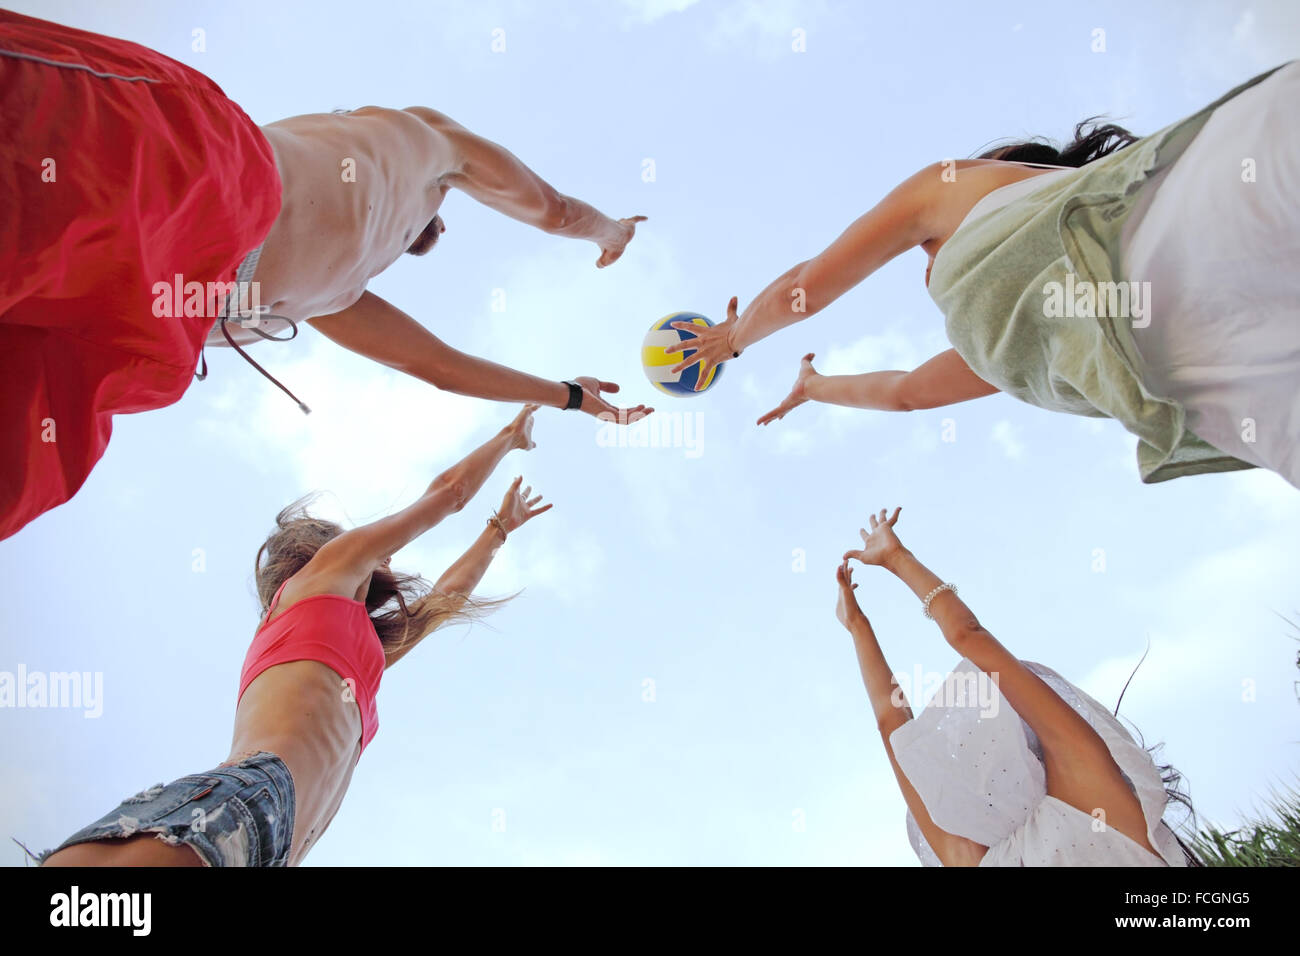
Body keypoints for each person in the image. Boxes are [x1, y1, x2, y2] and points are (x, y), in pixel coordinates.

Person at [0, 9, 650, 542]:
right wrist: (610, 232)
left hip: (146, 332)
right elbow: (553, 209)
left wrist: (566, 395)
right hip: (201, 182)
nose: (440, 232)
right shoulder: (431, 141)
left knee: (23, 468)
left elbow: (439, 365)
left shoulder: (337, 298)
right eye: (443, 223)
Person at [676, 62, 1299, 487]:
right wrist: (814, 386)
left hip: (1219, 219)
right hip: (1238, 373)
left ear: (998, 166)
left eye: (923, 255)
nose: (925, 266)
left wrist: (733, 339)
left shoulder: (958, 186)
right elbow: (906, 392)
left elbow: (804, 287)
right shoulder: (1014, 332)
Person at [35, 405, 548, 866]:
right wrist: (509, 435)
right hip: (252, 793)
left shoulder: (354, 655)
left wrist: (498, 531)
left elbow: (443, 601)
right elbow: (447, 494)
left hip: (272, 846)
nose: (382, 554)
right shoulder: (318, 582)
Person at [835, 507, 1192, 866]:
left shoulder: (976, 861)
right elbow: (967, 636)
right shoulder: (1089, 786)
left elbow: (890, 724)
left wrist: (857, 626)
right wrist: (898, 558)